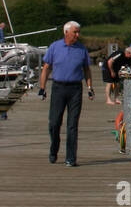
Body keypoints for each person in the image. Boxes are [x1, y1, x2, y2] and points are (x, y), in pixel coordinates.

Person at [38, 21, 94, 166]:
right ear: (66, 32)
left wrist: (89, 87)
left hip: (75, 89)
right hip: (58, 88)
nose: (77, 35)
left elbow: (87, 70)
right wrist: (42, 88)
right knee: (54, 123)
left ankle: (71, 158)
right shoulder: (55, 47)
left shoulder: (81, 49)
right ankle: (53, 149)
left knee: (72, 125)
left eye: (78, 32)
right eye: (75, 32)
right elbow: (46, 68)